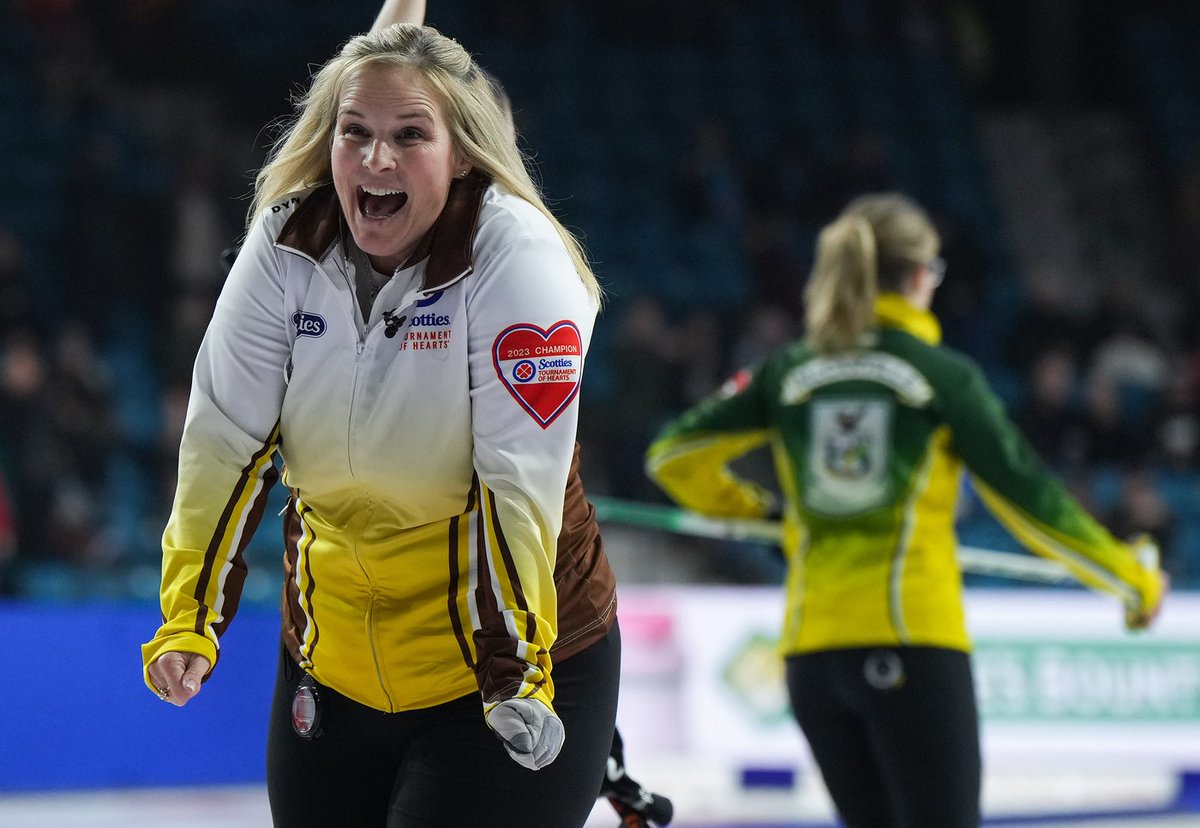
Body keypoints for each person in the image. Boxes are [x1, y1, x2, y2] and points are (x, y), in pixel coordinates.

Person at [141, 21, 623, 828]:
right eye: (354, 132)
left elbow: (519, 487)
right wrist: (189, 613)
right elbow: (224, 440)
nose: (375, 160)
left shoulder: (519, 259)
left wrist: (514, 671)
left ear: (464, 153)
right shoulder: (287, 242)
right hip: (330, 669)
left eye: (409, 135)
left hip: (507, 669)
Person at [644, 192, 1170, 828]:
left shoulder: (788, 369)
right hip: (912, 646)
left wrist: (760, 514)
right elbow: (1031, 500)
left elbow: (674, 455)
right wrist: (1131, 577)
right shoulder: (943, 376)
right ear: (920, 276)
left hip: (812, 655)